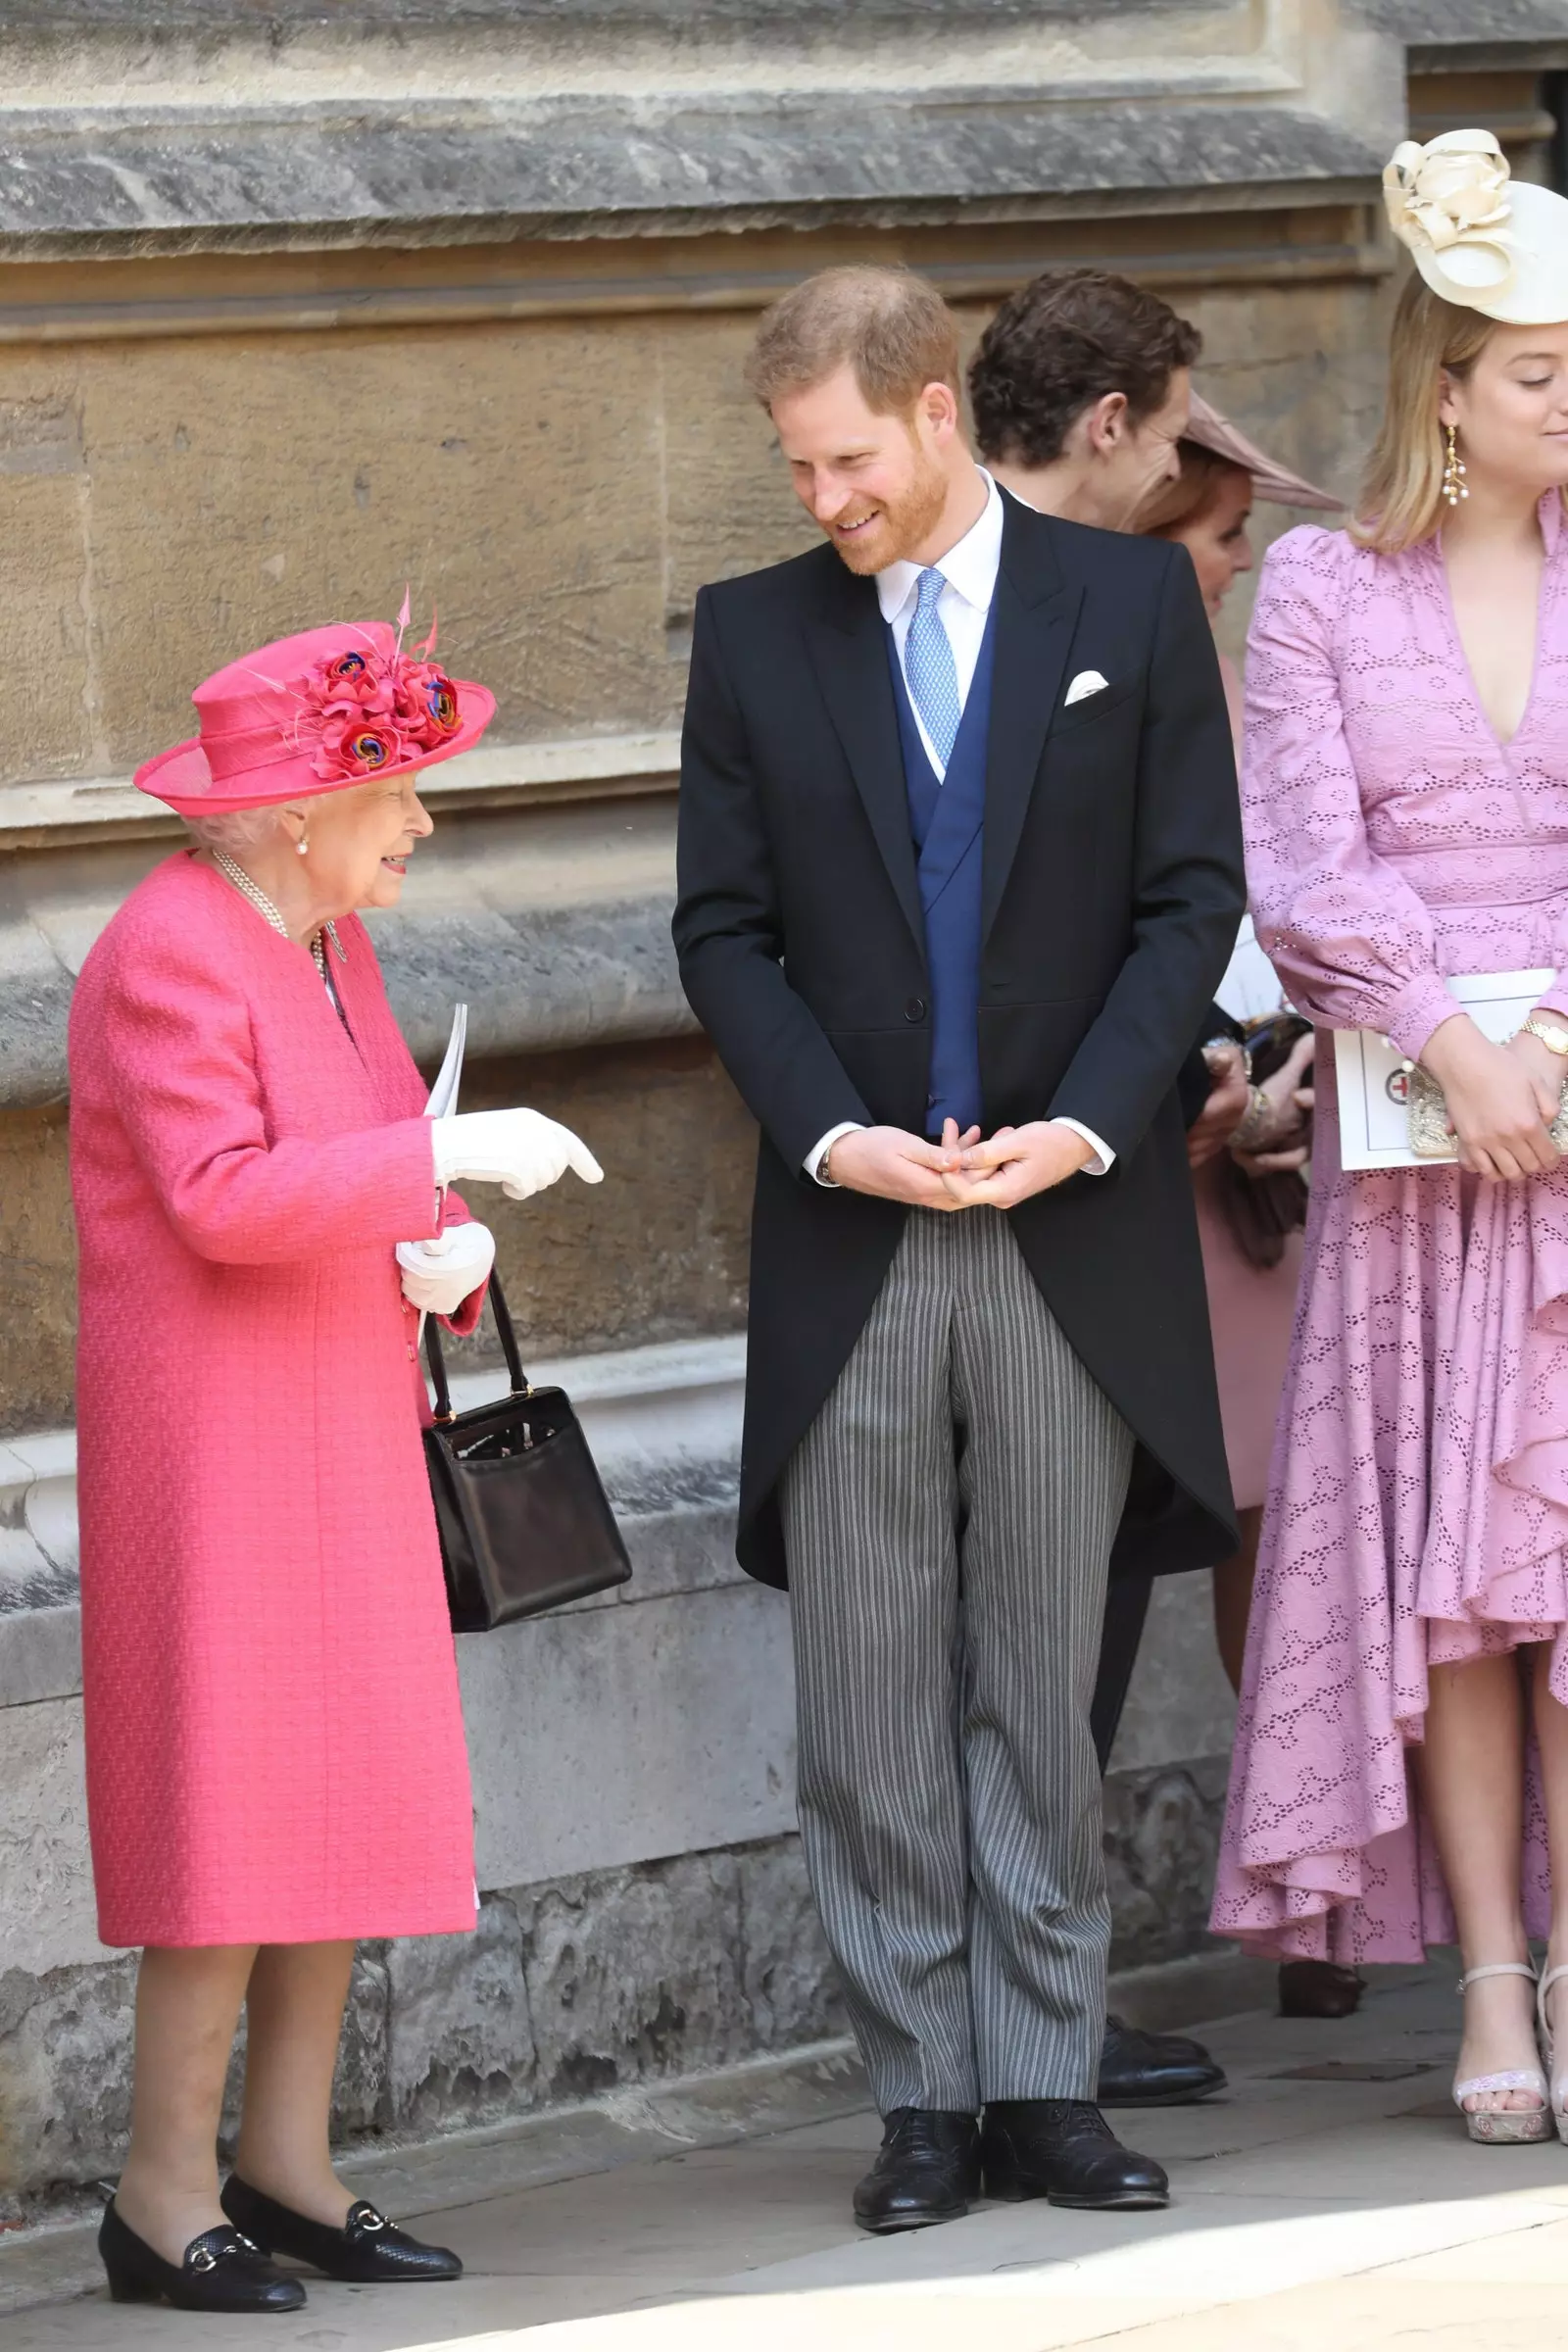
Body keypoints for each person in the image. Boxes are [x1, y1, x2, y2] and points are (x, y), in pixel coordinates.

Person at [674, 264, 1243, 2230]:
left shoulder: (1122, 605)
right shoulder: (754, 638)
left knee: (1033, 1671)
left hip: (1062, 1222)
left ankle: (1042, 2082)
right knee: (863, 1694)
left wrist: (1080, 1123)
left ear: (931, 412)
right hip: (853, 1234)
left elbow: (1187, 901)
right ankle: (920, 2093)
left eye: (843, 456)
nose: (820, 496)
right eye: (794, 464)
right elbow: (716, 934)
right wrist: (835, 1137)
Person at [74, 618, 604, 2313]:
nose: (424, 825)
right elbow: (224, 1198)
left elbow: (368, 1150)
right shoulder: (170, 950)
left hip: (347, 1411)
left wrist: (441, 1239)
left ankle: (287, 2165)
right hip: (217, 1442)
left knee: (342, 1798)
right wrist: (434, 1158)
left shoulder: (324, 939)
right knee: (232, 1810)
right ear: (303, 806)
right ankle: (161, 2196)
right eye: (401, 792)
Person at [1213, 126, 1568, 2144]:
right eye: (1536, 373)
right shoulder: (1318, 592)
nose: (1563, 403)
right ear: (1443, 383)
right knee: (1450, 1591)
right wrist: (1450, 1032)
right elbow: (1301, 869)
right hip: (1419, 1150)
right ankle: (1488, 1992)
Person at [965, 269, 1269, 2099]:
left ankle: (1055, 2008)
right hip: (971, 1187)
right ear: (1107, 425)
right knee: (990, 1627)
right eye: (1165, 435)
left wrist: (1194, 1071)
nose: (1172, 473)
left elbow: (1180, 889)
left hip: (1125, 1173)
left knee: (1088, 1613)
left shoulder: (1138, 597)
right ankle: (998, 2030)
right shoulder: (919, 592)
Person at [1140, 404, 1356, 2022]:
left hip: (1278, 1141)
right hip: (1165, 1150)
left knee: (1283, 1530)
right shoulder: (1121, 665)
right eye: (1220, 539)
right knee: (1167, 1520)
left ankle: (1313, 1890)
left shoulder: (1237, 669)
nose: (1242, 566)